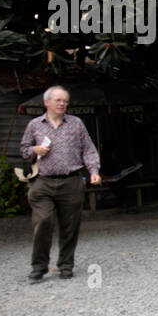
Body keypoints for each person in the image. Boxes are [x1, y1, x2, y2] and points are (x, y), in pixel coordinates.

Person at [19, 85, 101, 280]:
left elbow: (88, 149)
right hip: (43, 182)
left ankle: (66, 265)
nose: (62, 103)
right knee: (43, 221)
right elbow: (23, 150)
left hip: (71, 181)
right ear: (47, 102)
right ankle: (39, 265)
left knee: (70, 225)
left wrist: (94, 171)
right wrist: (35, 150)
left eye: (65, 100)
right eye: (58, 100)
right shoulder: (35, 125)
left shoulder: (76, 123)